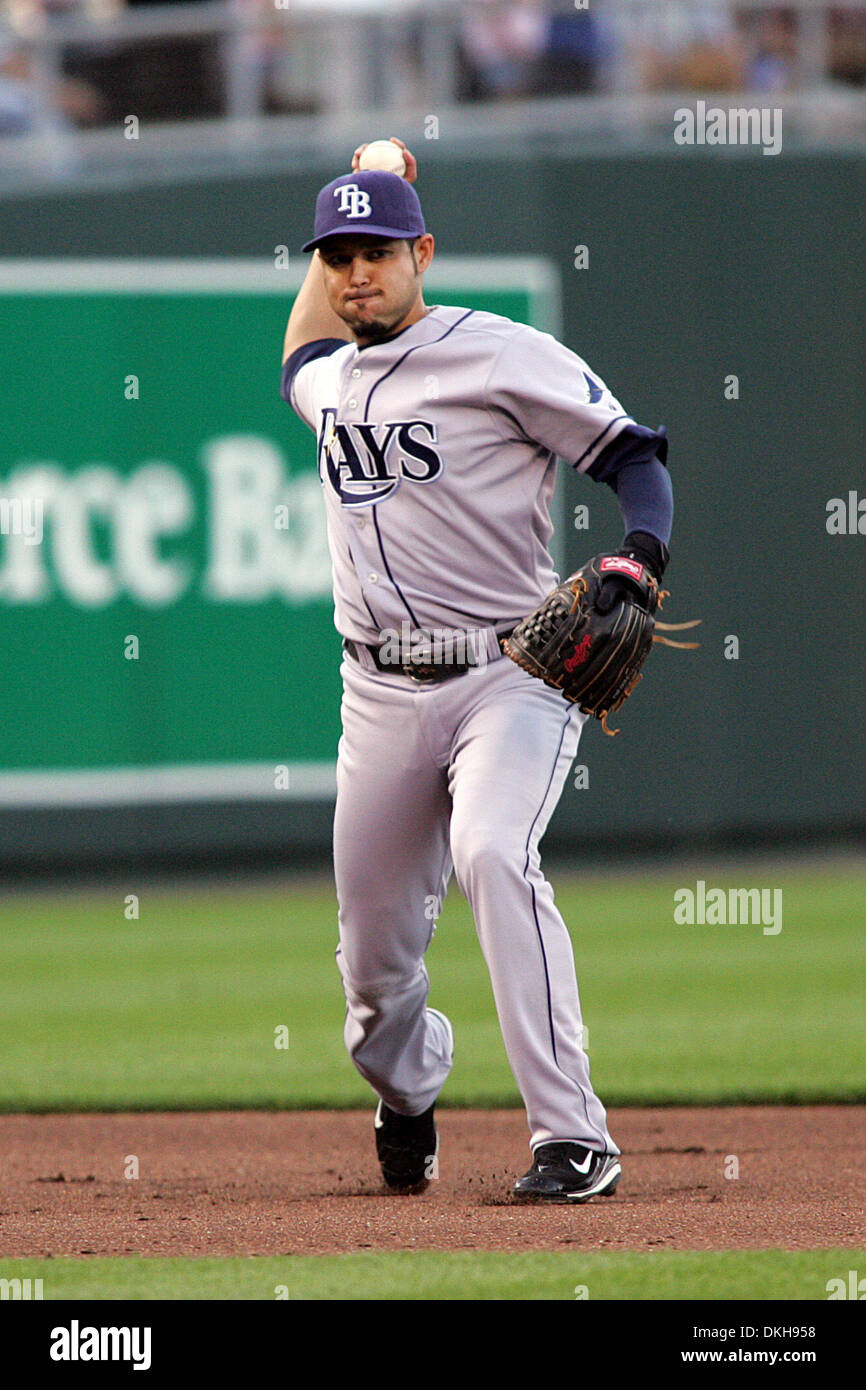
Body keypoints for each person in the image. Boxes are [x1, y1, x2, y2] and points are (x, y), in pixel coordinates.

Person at [280, 137, 673, 1203]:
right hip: (375, 695)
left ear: (423, 252)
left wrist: (640, 554)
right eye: (336, 255)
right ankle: (408, 1091)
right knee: (370, 981)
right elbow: (295, 357)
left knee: (492, 851)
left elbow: (632, 452)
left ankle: (572, 1134)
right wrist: (365, 169)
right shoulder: (332, 382)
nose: (354, 270)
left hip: (509, 674)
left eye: (375, 249)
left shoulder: (501, 353)